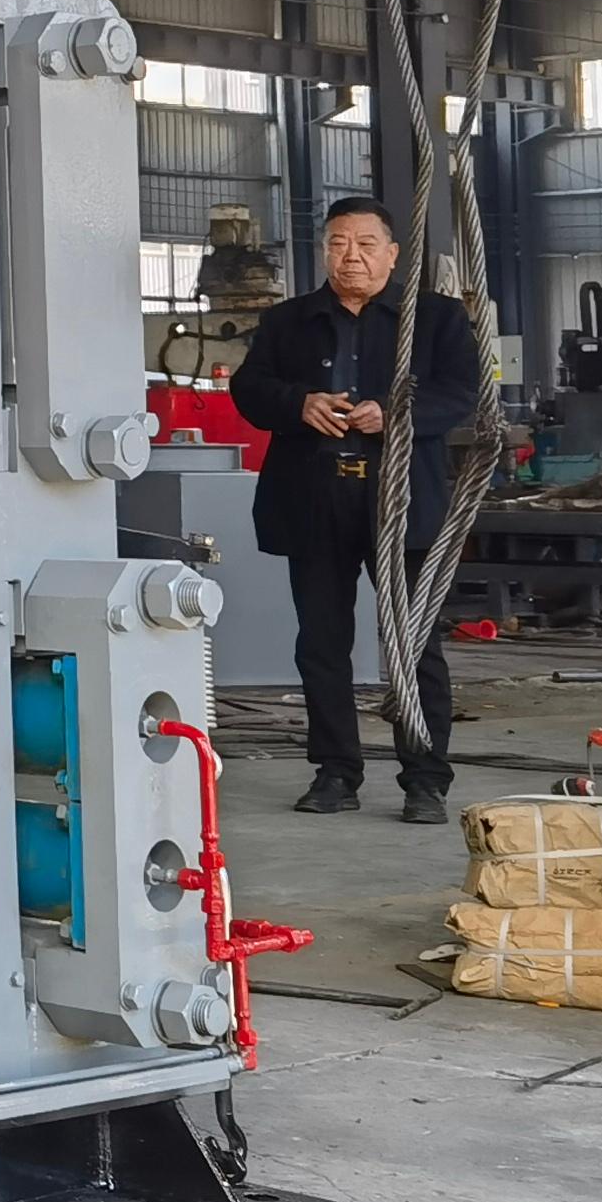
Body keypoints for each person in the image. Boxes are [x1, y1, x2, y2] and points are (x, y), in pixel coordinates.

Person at [225, 200, 490, 819]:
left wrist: (395, 413)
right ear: (324, 251)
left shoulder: (437, 318)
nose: (352, 256)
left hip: (401, 502)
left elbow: (462, 392)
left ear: (392, 254)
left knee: (414, 644)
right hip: (316, 500)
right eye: (339, 243)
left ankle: (425, 779)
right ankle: (335, 773)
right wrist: (299, 404)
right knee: (321, 643)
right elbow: (249, 389)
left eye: (367, 244)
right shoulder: (289, 321)